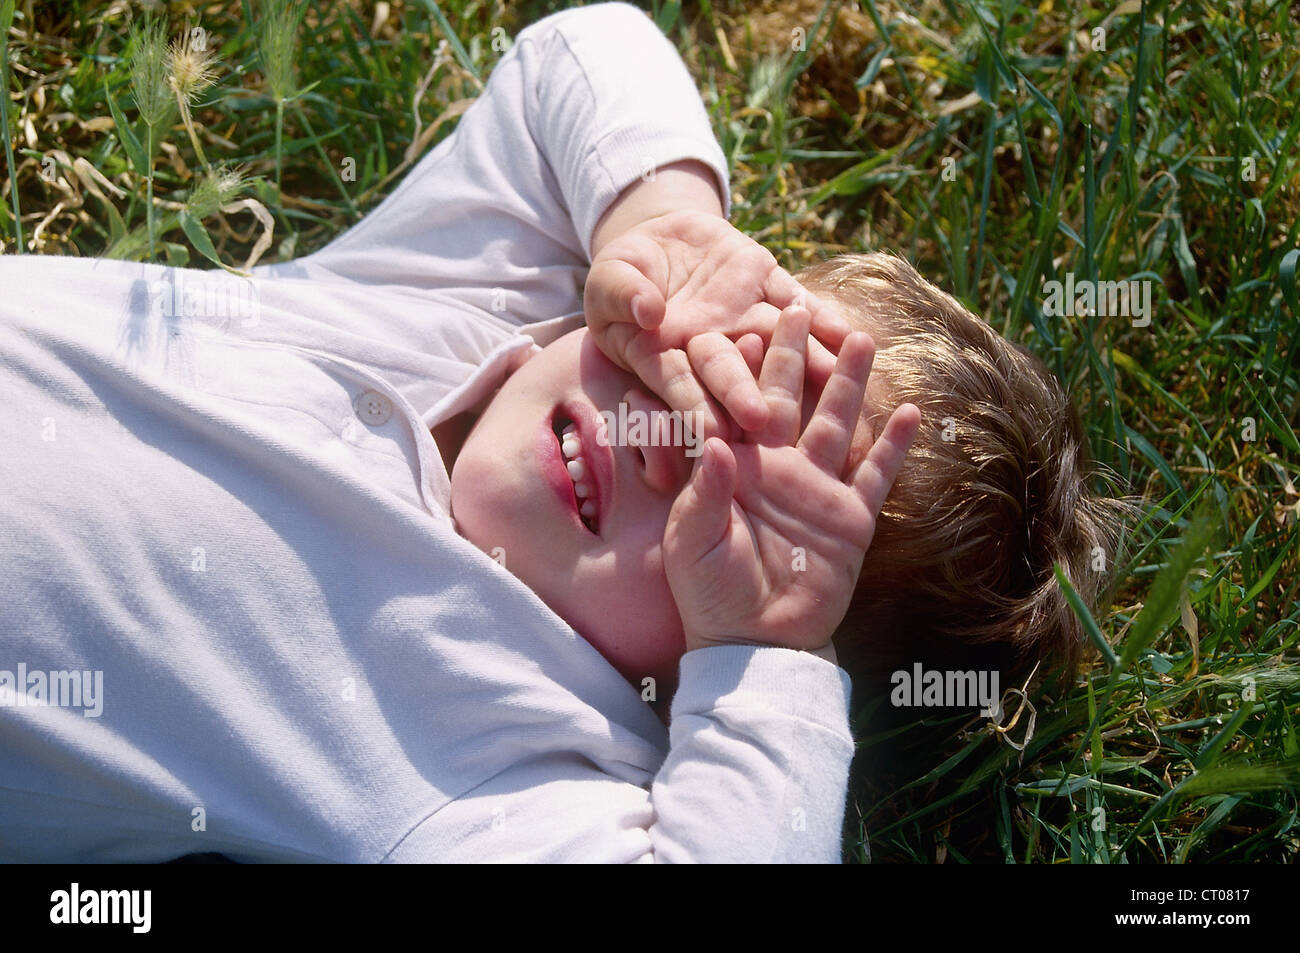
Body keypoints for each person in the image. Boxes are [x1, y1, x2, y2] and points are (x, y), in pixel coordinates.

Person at [0, 2, 916, 862]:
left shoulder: (516, 755)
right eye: (707, 363)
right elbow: (589, 44)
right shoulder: (487, 305)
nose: (662, 434)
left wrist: (767, 664)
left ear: (695, 692)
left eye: (734, 512)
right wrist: (668, 226)